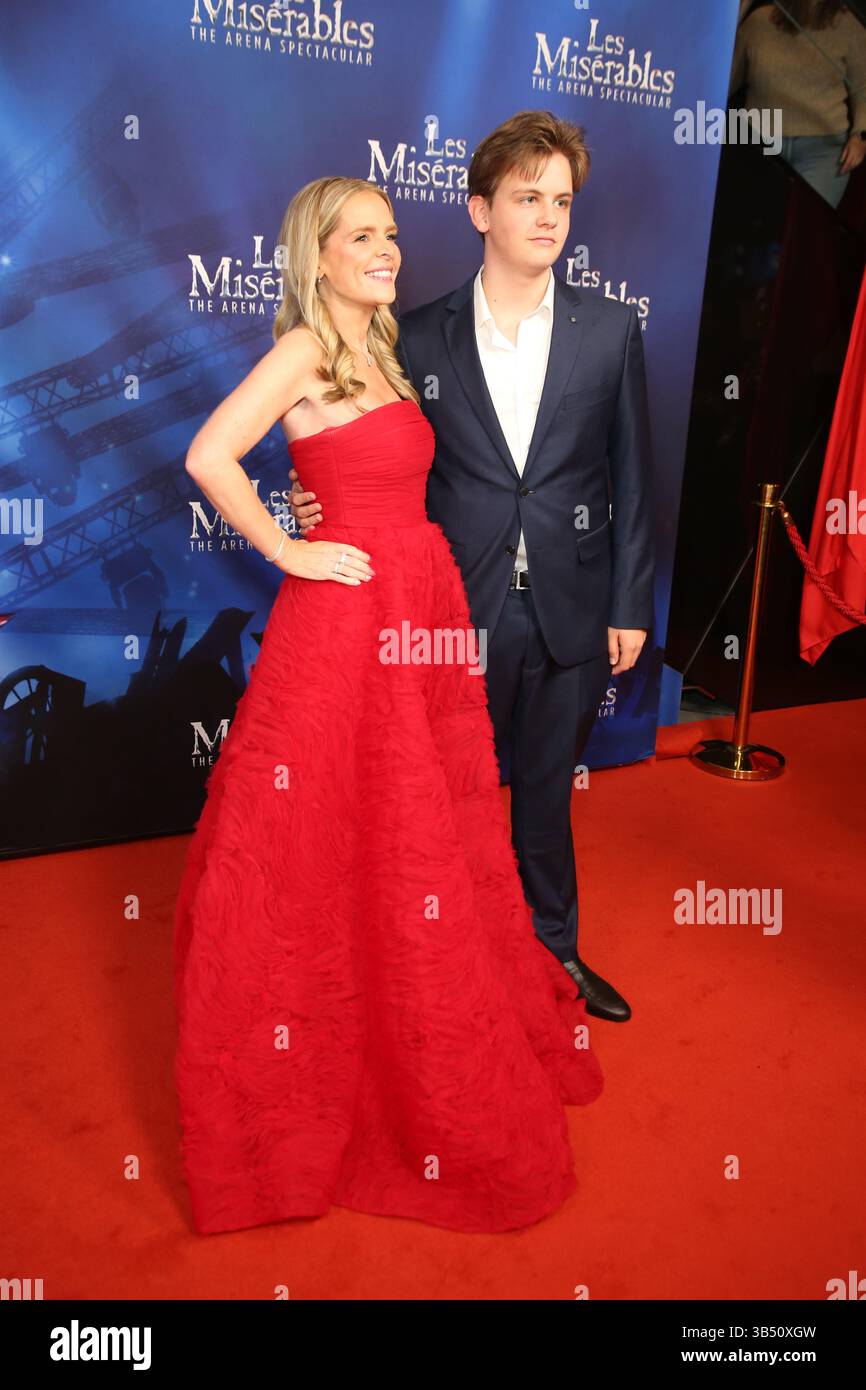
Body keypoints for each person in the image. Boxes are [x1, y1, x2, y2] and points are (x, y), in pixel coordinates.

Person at [173, 174, 604, 1237]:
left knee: (414, 830)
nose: (384, 250)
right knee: (309, 833)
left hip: (418, 611)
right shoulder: (303, 353)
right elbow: (207, 454)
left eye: (390, 234)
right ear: (314, 255)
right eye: (358, 236)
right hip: (343, 623)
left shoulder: (383, 352)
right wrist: (286, 543)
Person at [291, 111, 655, 1023]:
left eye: (562, 201)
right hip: (449, 613)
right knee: (440, 809)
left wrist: (629, 603)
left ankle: (555, 959)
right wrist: (312, 508)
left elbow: (635, 476)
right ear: (479, 209)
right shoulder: (411, 336)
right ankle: (440, 977)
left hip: (572, 612)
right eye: (527, 198)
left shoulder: (612, 330)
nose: (548, 218)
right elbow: (363, 445)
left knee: (544, 803)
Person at [730, 0, 866, 209]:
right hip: (760, 144)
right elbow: (724, 82)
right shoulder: (758, 21)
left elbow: (862, 88)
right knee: (758, 228)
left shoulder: (848, 25)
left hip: (823, 152)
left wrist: (861, 135)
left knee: (804, 229)